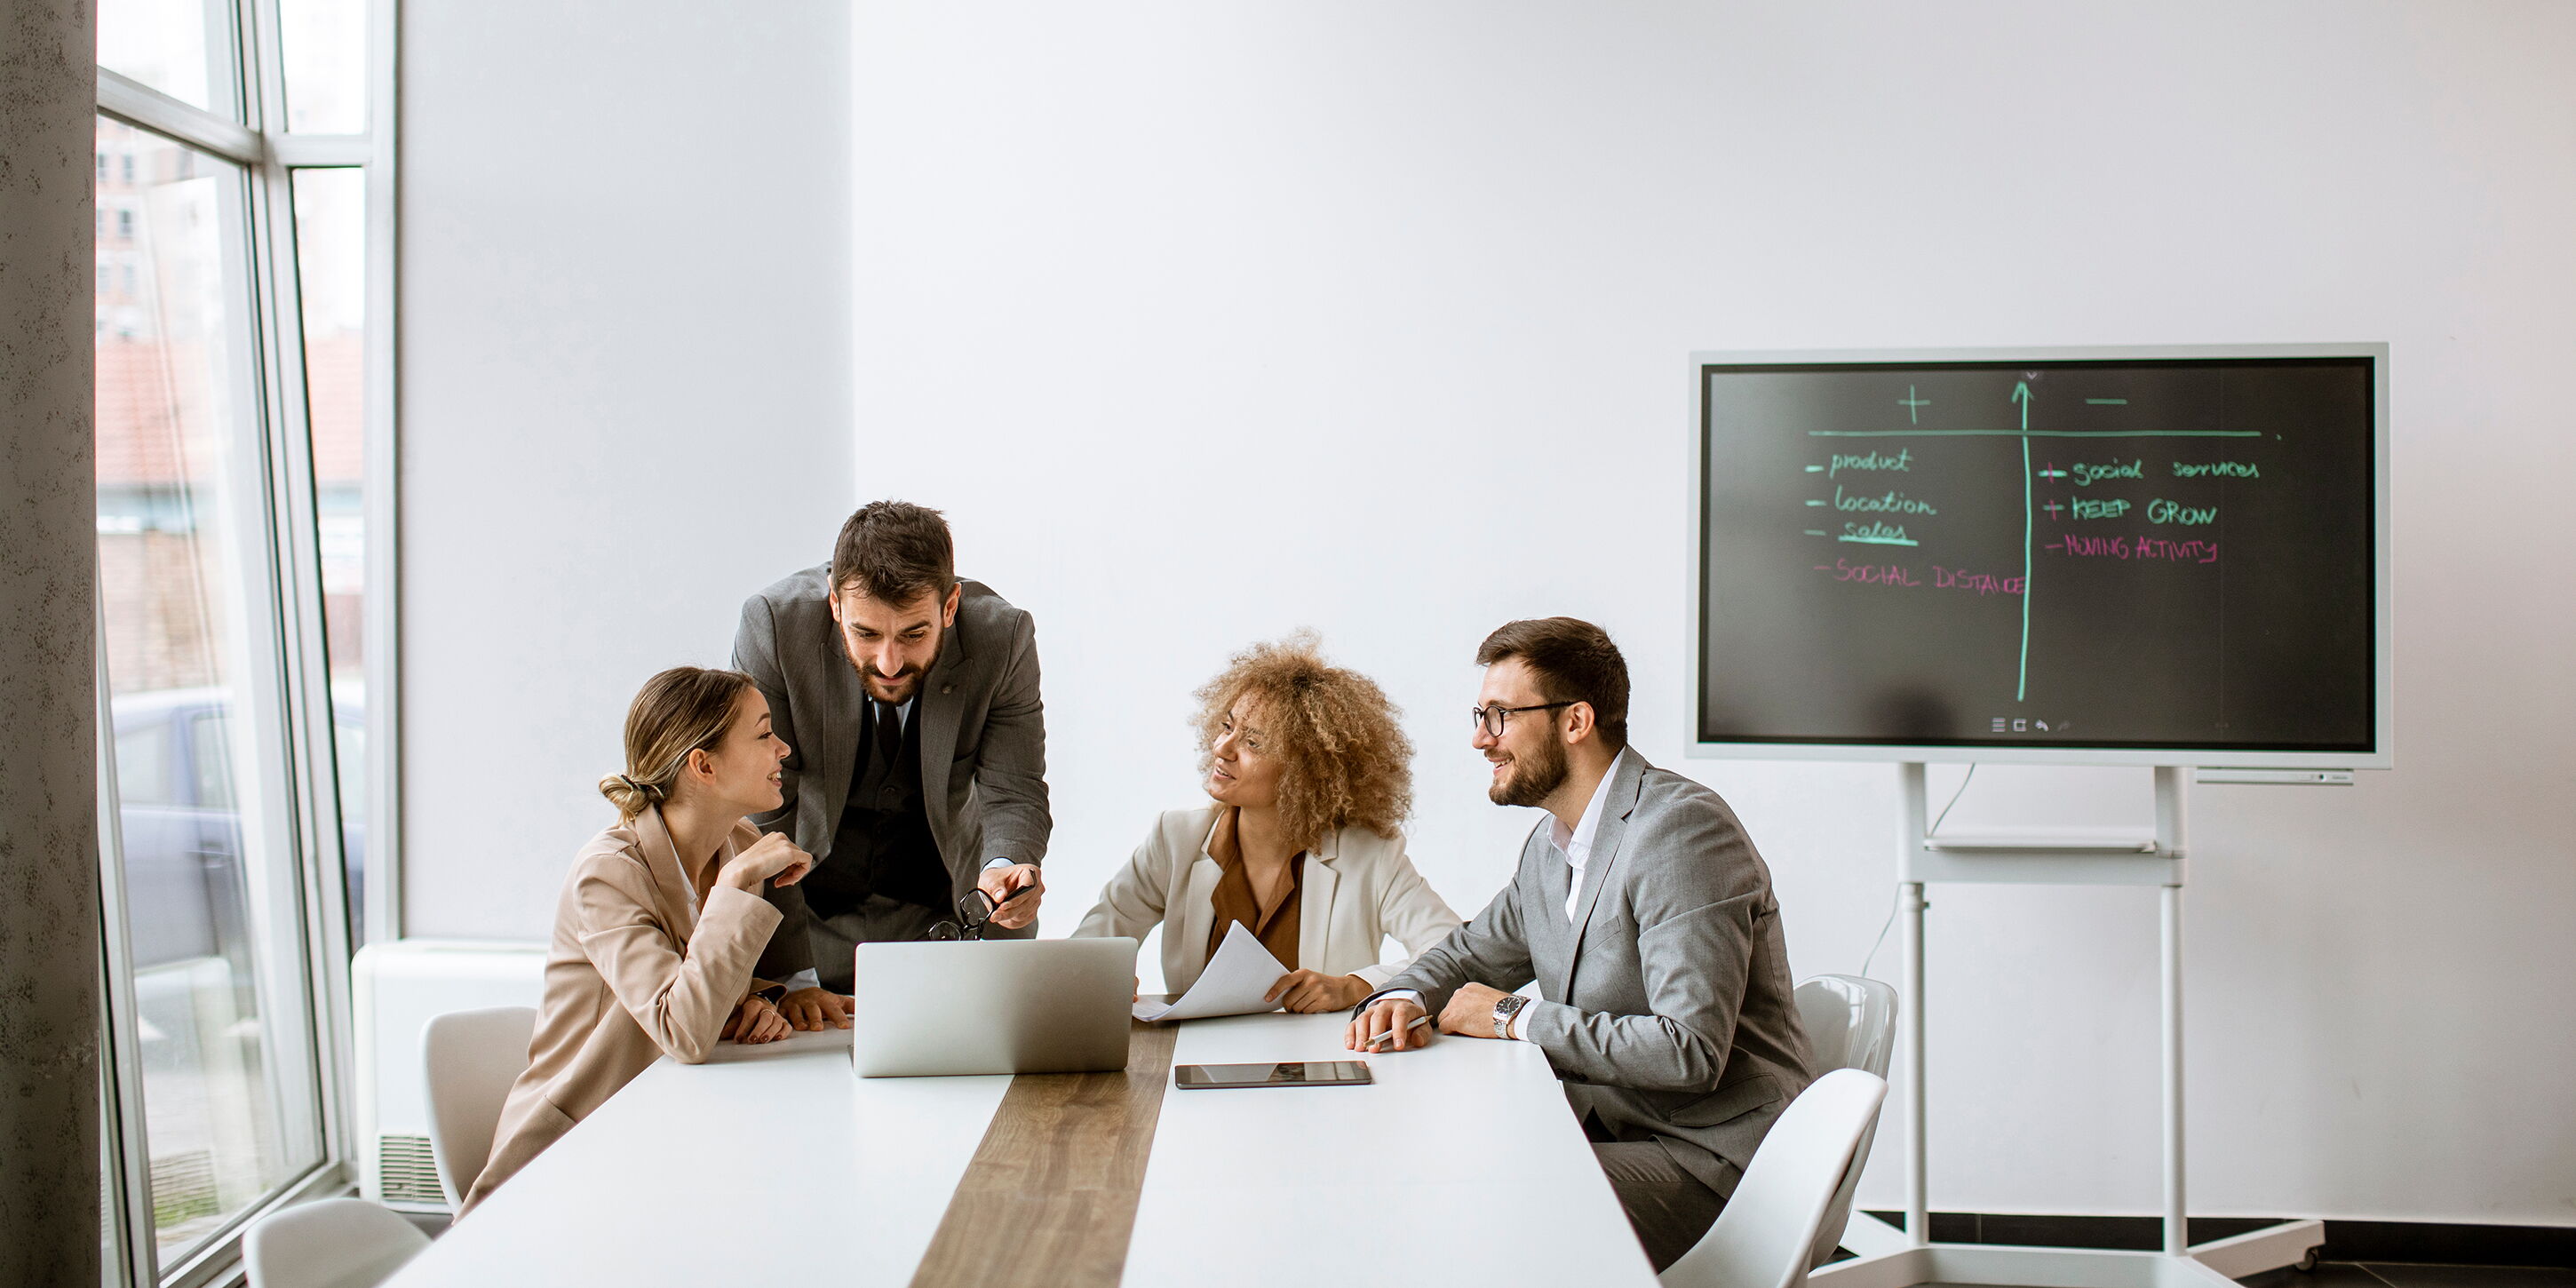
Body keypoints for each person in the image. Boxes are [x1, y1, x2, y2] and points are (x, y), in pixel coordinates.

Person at [1345, 618, 1813, 1272]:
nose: (1480, 738)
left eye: (1500, 715)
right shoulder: (1551, 848)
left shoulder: (1681, 831)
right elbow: (1468, 954)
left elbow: (1689, 1050)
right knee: (1437, 1163)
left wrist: (1511, 1015)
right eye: (1480, 716)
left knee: (1476, 1200)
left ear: (1575, 721)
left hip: (1718, 1165)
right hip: (1616, 1133)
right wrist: (1398, 997)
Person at [464, 667, 814, 1215]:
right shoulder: (607, 873)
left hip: (667, 1125)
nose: (783, 748)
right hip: (573, 1153)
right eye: (764, 733)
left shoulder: (738, 843)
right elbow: (682, 1030)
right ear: (704, 765)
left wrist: (761, 999)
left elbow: (694, 984)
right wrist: (734, 887)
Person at [736, 500, 1049, 1019]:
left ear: (950, 607)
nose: (888, 663)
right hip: (806, 922)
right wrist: (791, 977)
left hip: (953, 921)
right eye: (866, 634)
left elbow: (1014, 787)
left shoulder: (1004, 636)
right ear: (835, 604)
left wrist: (1006, 867)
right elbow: (761, 808)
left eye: (913, 634)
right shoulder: (773, 625)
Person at [1076, 635, 1462, 1010]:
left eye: (1253, 743)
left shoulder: (1371, 857)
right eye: (1227, 727)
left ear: (1306, 770)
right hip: (1192, 1051)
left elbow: (1452, 952)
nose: (1222, 748)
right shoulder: (1175, 839)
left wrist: (1357, 985)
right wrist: (1102, 974)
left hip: (1321, 1052)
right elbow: (1094, 942)